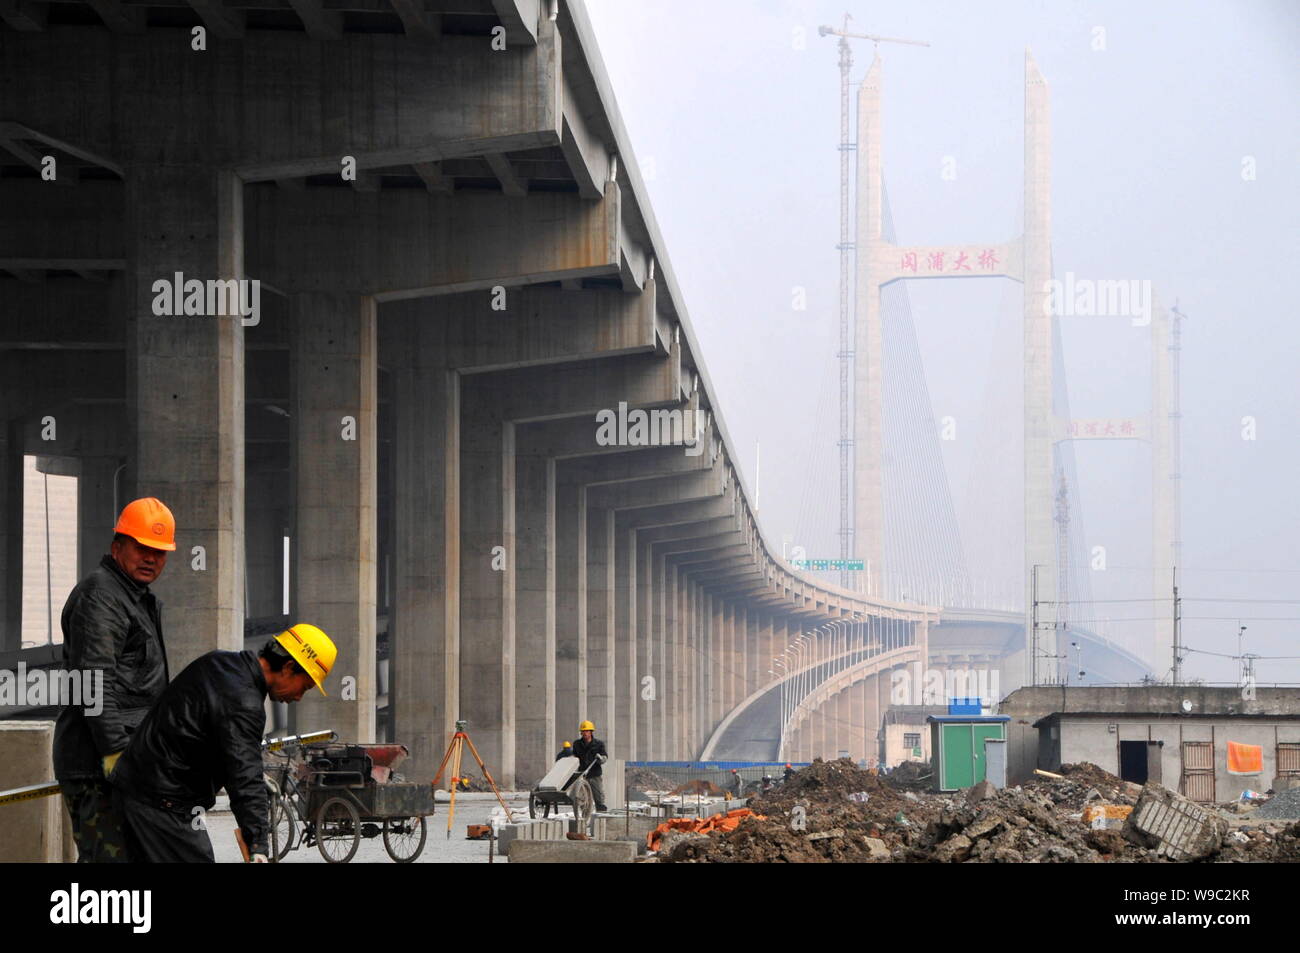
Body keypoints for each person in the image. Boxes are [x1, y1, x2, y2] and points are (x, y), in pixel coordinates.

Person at [109, 623, 337, 863]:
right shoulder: (244, 702)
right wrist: (258, 843)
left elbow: (225, 749)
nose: (299, 697)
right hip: (163, 803)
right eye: (305, 686)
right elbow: (244, 775)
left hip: (137, 788)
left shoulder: (219, 662)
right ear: (289, 667)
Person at [53, 498, 176, 863]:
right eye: (142, 548)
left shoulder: (133, 598)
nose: (151, 558)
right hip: (99, 763)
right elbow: (95, 682)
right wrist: (115, 756)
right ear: (117, 546)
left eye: (159, 551)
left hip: (120, 760)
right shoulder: (103, 596)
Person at [570, 720, 609, 813]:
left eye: (587, 731)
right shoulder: (577, 744)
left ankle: (601, 816)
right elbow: (574, 756)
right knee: (584, 799)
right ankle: (585, 817)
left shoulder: (599, 744)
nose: (584, 733)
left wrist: (601, 759)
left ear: (591, 732)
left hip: (594, 774)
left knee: (599, 797)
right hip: (582, 774)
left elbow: (605, 756)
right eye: (583, 731)